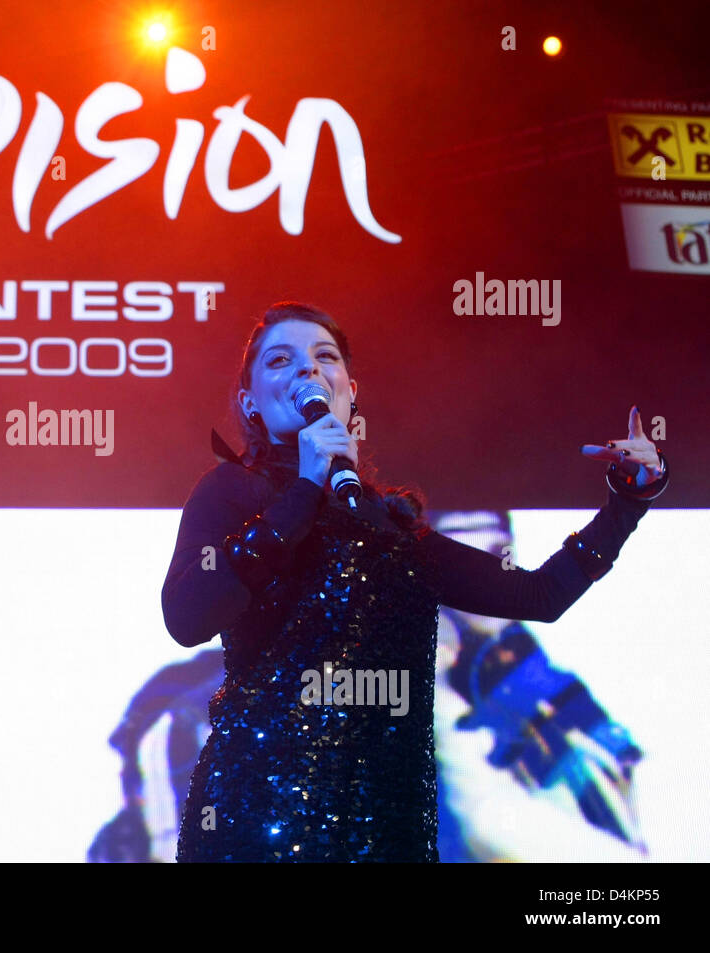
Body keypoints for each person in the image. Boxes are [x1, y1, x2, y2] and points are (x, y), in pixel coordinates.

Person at [160, 301, 668, 863]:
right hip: (258, 826)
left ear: (350, 392)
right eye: (281, 360)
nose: (308, 368)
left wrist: (628, 503)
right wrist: (305, 487)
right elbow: (188, 616)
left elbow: (539, 596)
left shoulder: (394, 531)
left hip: (387, 832)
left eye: (324, 357)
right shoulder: (232, 492)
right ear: (250, 402)